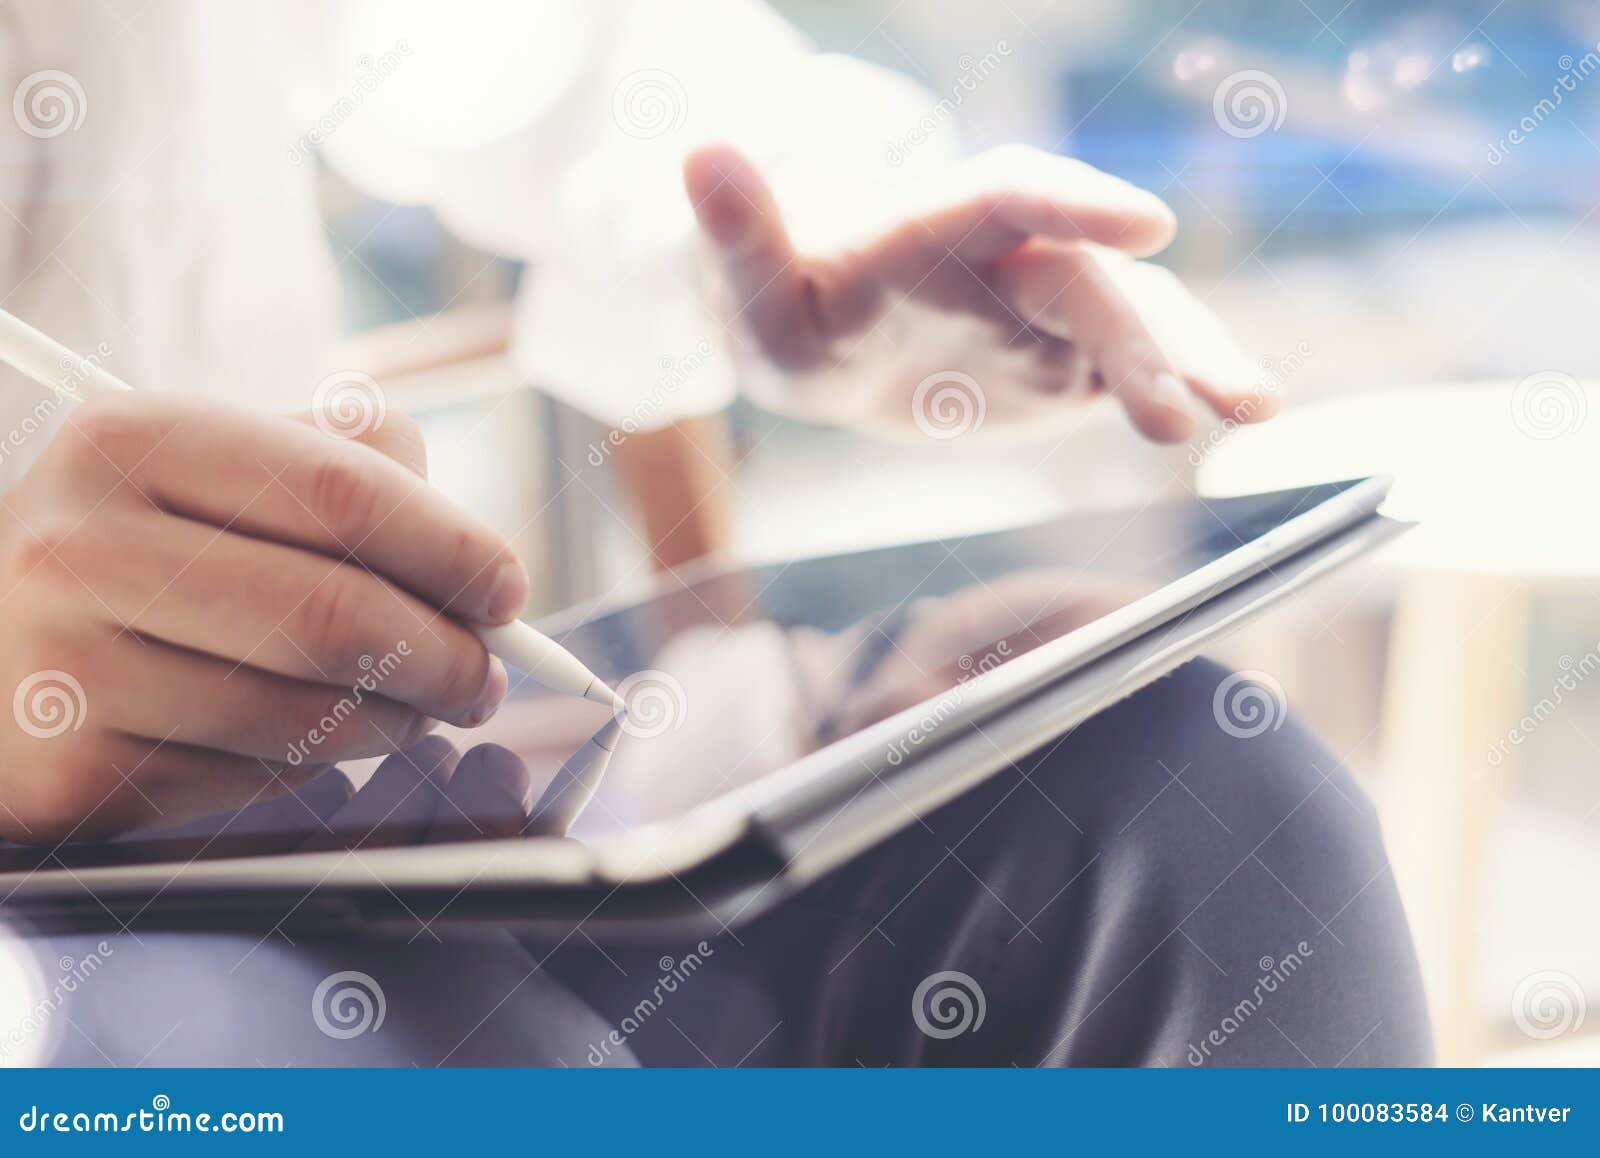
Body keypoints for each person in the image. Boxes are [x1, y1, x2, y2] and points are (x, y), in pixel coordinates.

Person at [0, 0, 1429, 1065]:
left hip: (369, 810)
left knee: (1197, 797)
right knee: (348, 1054)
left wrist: (783, 222)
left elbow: (539, 68)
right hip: (91, 971)